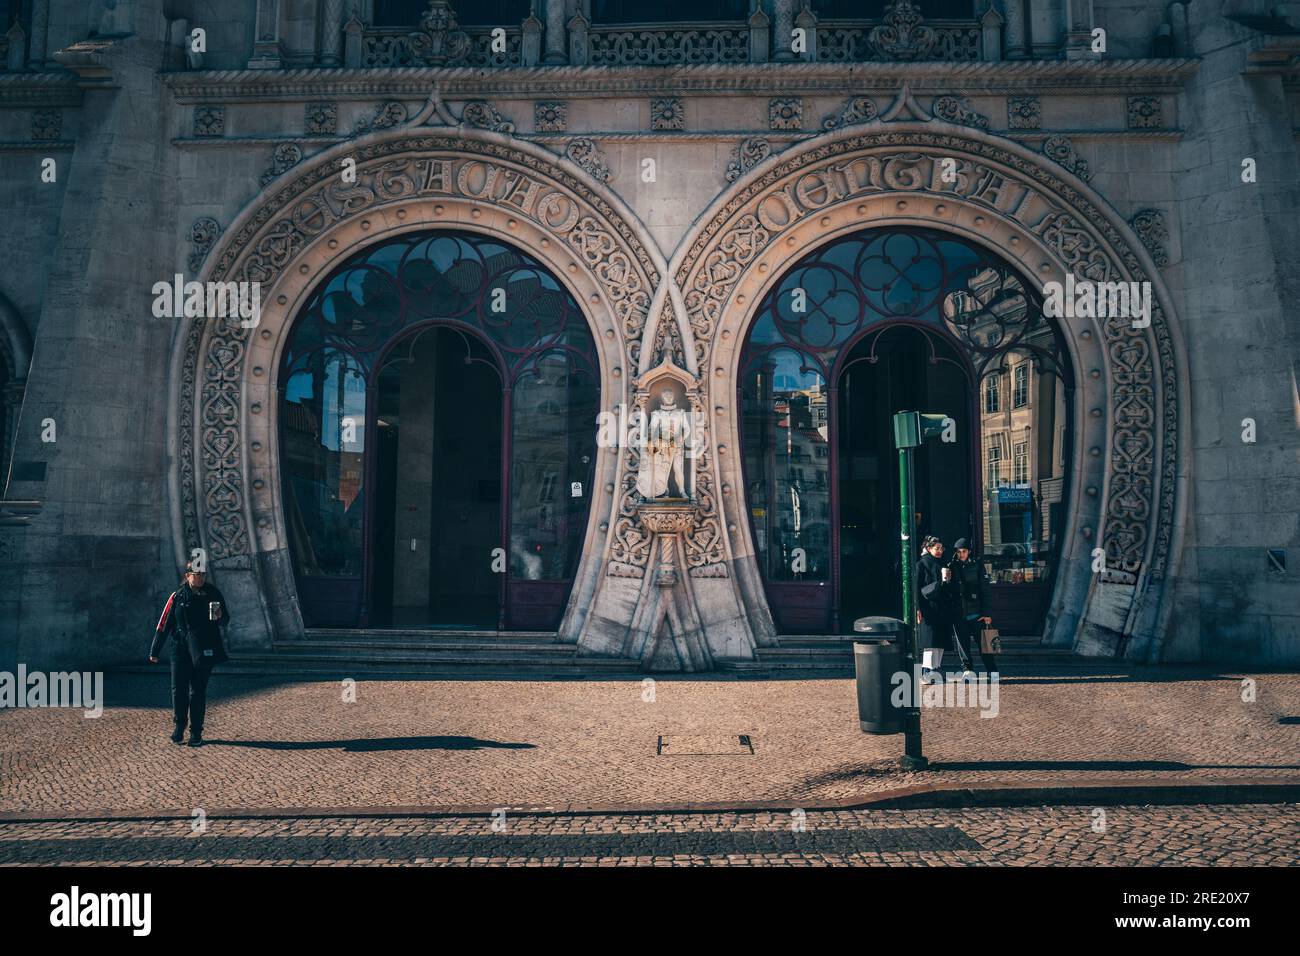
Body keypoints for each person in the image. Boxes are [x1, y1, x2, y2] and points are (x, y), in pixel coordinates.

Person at [148, 560, 230, 747]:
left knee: (198, 691)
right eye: (196, 574)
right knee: (179, 689)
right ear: (187, 576)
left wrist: (219, 617)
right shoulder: (177, 596)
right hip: (180, 649)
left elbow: (224, 620)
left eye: (203, 574)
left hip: (203, 649)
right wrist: (155, 650)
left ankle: (196, 732)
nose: (200, 577)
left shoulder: (212, 593)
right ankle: (179, 726)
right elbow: (164, 624)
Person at [946, 538, 996, 677]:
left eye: (964, 551)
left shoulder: (978, 565)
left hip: (977, 612)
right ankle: (967, 670)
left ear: (969, 551)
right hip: (959, 612)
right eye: (959, 552)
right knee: (963, 644)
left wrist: (986, 613)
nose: (961, 554)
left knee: (985, 644)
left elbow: (985, 590)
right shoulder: (951, 566)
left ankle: (992, 670)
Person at [913, 536, 951, 684]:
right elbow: (916, 587)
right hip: (928, 607)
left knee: (940, 640)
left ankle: (936, 669)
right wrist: (917, 608)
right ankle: (927, 671)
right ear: (929, 549)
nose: (940, 550)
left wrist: (947, 581)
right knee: (930, 641)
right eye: (937, 548)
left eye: (942, 548)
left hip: (942, 606)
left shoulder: (943, 563)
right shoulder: (921, 564)